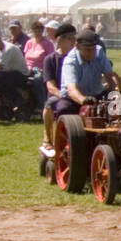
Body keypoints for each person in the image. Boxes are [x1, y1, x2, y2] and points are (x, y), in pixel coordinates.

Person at [40, 23, 79, 152]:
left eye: (75, 37)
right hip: (59, 95)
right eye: (70, 38)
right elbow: (50, 86)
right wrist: (64, 95)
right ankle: (48, 137)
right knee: (49, 106)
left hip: (78, 94)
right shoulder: (50, 59)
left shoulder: (79, 58)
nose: (74, 41)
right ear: (60, 40)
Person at [61, 28, 119, 108]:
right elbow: (71, 90)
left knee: (118, 108)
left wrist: (116, 93)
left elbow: (110, 77)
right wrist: (85, 101)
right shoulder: (70, 62)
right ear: (77, 46)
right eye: (88, 50)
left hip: (96, 95)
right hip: (73, 99)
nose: (92, 53)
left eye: (93, 49)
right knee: (63, 108)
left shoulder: (99, 52)